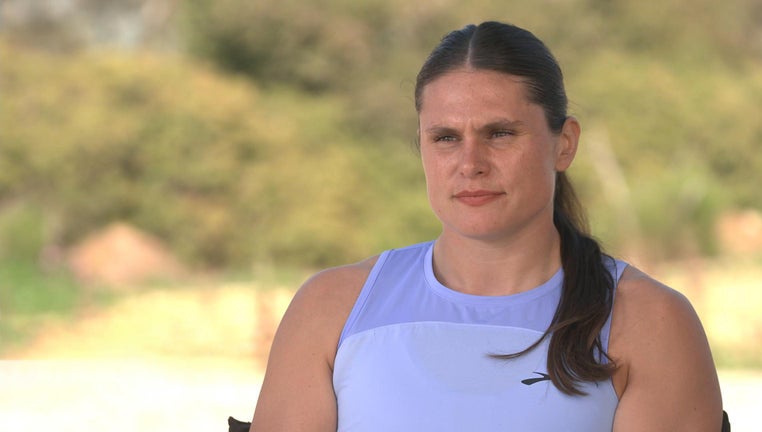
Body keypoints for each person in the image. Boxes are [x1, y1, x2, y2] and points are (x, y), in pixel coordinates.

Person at [246, 21, 723, 431]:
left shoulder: (649, 322)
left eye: (499, 133)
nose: (470, 163)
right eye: (446, 137)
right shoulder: (331, 309)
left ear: (564, 144)